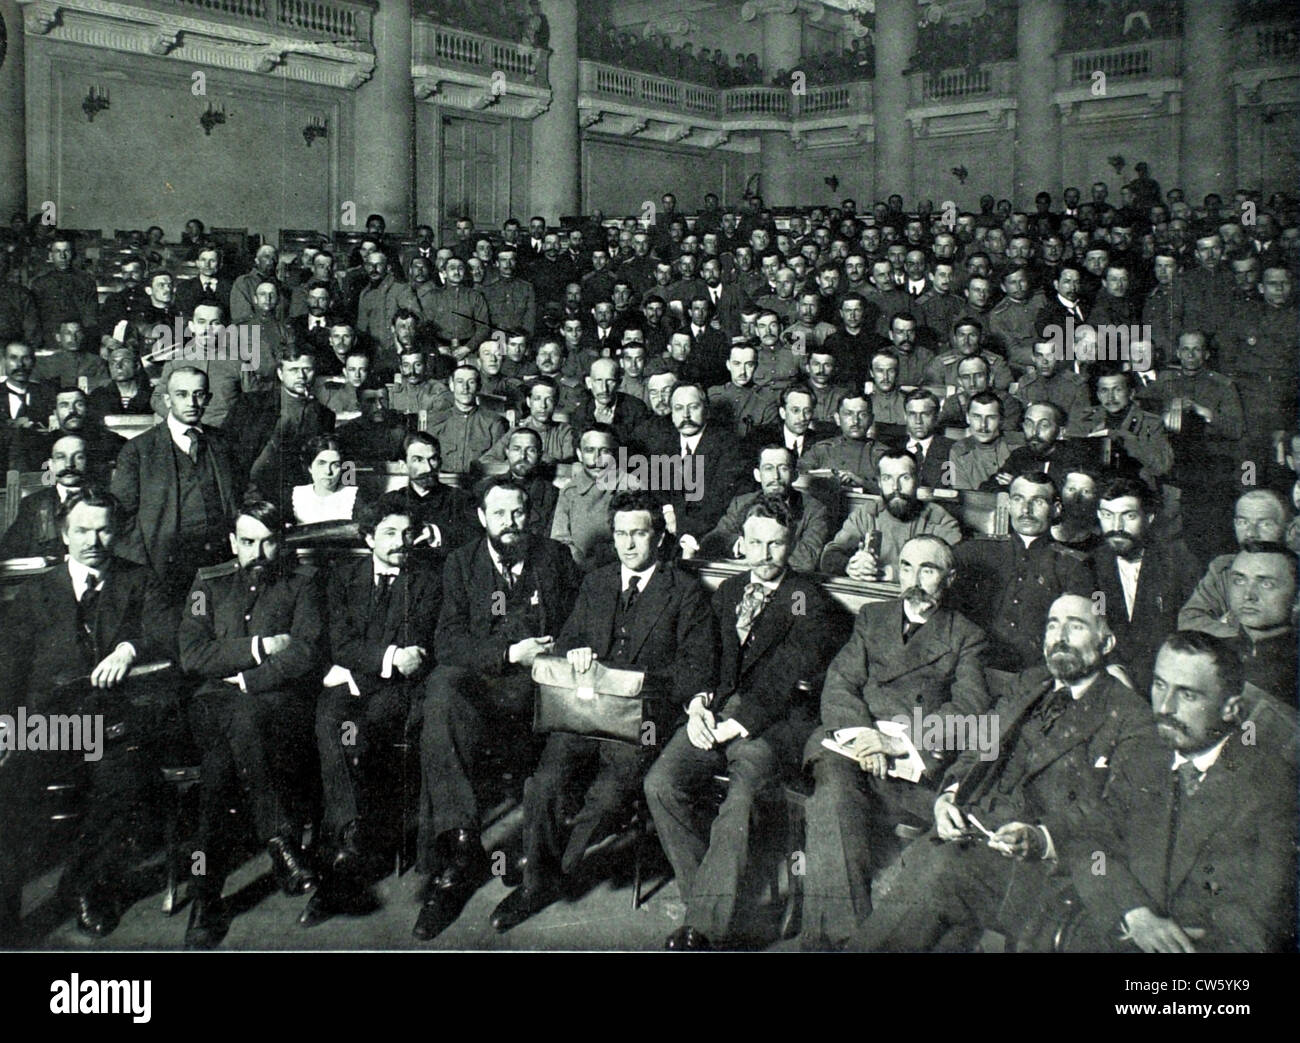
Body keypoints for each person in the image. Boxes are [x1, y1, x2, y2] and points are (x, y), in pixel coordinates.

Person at [850, 594, 1156, 952]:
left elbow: (1117, 815)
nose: (1059, 637)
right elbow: (983, 745)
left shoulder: (1130, 715)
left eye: (1075, 627)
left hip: (1039, 868)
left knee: (935, 874)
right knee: (925, 889)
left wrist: (1042, 837)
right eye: (1052, 625)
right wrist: (949, 795)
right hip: (974, 831)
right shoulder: (1031, 682)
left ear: (1106, 643)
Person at [489, 489, 717, 933]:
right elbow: (571, 637)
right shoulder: (596, 582)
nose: (629, 544)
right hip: (584, 711)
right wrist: (575, 653)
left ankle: (550, 873)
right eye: (620, 534)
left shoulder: (685, 592)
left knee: (609, 797)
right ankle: (538, 881)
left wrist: (633, 682)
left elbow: (696, 670)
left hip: (643, 720)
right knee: (543, 784)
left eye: (639, 534)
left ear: (659, 537)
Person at [645, 495, 838, 950]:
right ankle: (711, 907)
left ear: (790, 545)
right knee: (660, 784)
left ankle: (705, 927)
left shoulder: (804, 598)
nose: (764, 555)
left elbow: (787, 673)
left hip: (770, 723)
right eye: (755, 543)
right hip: (714, 712)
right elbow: (702, 658)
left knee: (741, 799)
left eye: (775, 544)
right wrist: (696, 705)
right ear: (742, 543)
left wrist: (740, 724)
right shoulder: (729, 592)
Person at [800, 535, 992, 950]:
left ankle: (836, 941)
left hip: (913, 760)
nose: (916, 579)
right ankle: (851, 938)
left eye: (929, 569)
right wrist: (866, 736)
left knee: (837, 804)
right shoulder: (872, 617)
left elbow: (970, 709)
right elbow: (839, 685)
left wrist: (897, 743)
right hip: (850, 744)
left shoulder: (966, 636)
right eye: (907, 567)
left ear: (950, 578)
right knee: (833, 795)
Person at [0, 486, 174, 939]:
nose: (92, 541)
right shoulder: (36, 592)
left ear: (117, 533)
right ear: (64, 534)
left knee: (124, 781)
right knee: (9, 788)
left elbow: (169, 634)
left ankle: (83, 886)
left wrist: (129, 648)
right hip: (45, 724)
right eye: (81, 530)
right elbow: (8, 664)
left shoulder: (138, 580)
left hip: (111, 720)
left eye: (103, 530)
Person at [412, 477, 582, 940]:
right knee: (443, 692)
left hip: (538, 690)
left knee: (443, 710)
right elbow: (447, 642)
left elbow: (581, 624)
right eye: (501, 514)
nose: (512, 523)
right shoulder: (461, 563)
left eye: (519, 513)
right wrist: (509, 654)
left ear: (530, 515)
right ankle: (464, 843)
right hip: (485, 685)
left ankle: (452, 861)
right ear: (483, 518)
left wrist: (550, 653)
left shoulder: (555, 558)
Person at [1065, 631, 1297, 953]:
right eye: (1159, 685)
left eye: (1187, 695)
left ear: (1232, 709)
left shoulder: (1272, 785)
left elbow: (1265, 922)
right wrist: (1135, 913)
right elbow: (1093, 848)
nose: (1165, 707)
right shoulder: (1143, 755)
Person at [178, 500, 326, 948]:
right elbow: (192, 655)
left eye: (267, 541)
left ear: (282, 542)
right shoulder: (208, 583)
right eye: (247, 542)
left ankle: (205, 897)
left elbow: (305, 651)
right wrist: (260, 647)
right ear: (232, 542)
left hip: (277, 705)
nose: (258, 552)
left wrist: (246, 677)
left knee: (218, 774)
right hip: (212, 707)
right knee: (231, 732)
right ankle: (279, 841)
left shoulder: (304, 584)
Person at [301, 494, 443, 928]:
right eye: (389, 534)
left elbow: (417, 650)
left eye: (406, 533)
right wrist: (385, 658)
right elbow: (339, 641)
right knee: (332, 724)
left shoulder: (427, 580)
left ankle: (344, 854)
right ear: (368, 537)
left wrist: (366, 667)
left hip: (395, 691)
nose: (401, 542)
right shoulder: (342, 577)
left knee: (368, 731)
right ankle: (350, 838)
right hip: (354, 684)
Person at [111, 366, 245, 598]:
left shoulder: (223, 442)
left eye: (199, 394)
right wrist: (144, 567)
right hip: (164, 566)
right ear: (167, 399)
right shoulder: (138, 449)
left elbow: (244, 493)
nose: (191, 402)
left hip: (221, 559)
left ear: (208, 398)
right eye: (181, 394)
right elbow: (122, 517)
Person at [952, 472, 1093, 671]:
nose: (1026, 510)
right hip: (973, 669)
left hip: (1036, 676)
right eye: (1018, 499)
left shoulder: (1072, 565)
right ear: (1008, 505)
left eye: (1038, 501)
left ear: (1056, 509)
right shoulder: (974, 551)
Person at [1090, 477, 1201, 691]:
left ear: (1148, 517)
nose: (1116, 527)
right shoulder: (1089, 566)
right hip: (1107, 684)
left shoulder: (1178, 564)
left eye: (1128, 516)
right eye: (1107, 515)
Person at [820, 449, 963, 579]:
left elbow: (957, 568)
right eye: (887, 478)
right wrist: (850, 566)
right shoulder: (867, 514)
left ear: (918, 480)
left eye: (905, 477)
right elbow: (831, 554)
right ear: (880, 483)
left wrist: (888, 572)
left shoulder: (940, 519)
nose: (896, 487)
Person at [225, 346, 336, 507]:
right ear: (280, 374)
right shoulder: (250, 404)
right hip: (245, 493)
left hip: (293, 497)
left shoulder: (325, 415)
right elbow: (225, 449)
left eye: (307, 369)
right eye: (293, 370)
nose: (301, 376)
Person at [699, 445, 830, 574]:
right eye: (768, 469)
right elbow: (711, 542)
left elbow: (807, 561)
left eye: (783, 468)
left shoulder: (814, 510)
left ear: (794, 475)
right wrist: (739, 545)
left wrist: (754, 547)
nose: (775, 477)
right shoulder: (741, 503)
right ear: (757, 475)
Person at [551, 423, 635, 571]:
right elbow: (560, 539)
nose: (597, 459)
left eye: (605, 451)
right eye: (589, 450)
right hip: (579, 571)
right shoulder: (569, 491)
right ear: (579, 454)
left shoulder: (631, 486)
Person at [0, 433, 87, 559]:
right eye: (61, 457)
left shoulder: (106, 502)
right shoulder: (32, 504)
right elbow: (8, 552)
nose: (69, 464)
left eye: (79, 457)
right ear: (51, 465)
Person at [427, 364, 508, 477]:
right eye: (460, 382)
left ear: (479, 386)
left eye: (471, 382)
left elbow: (499, 465)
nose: (465, 388)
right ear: (451, 385)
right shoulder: (436, 422)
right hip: (444, 486)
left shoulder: (494, 423)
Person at [798, 393, 882, 489]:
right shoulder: (821, 450)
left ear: (871, 419)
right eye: (848, 414)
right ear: (837, 418)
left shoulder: (882, 455)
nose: (855, 421)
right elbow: (796, 478)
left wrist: (861, 481)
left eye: (863, 415)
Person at [291, 434, 357, 524]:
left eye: (335, 464)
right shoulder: (295, 496)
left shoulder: (354, 496)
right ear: (310, 467)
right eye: (321, 463)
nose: (328, 471)